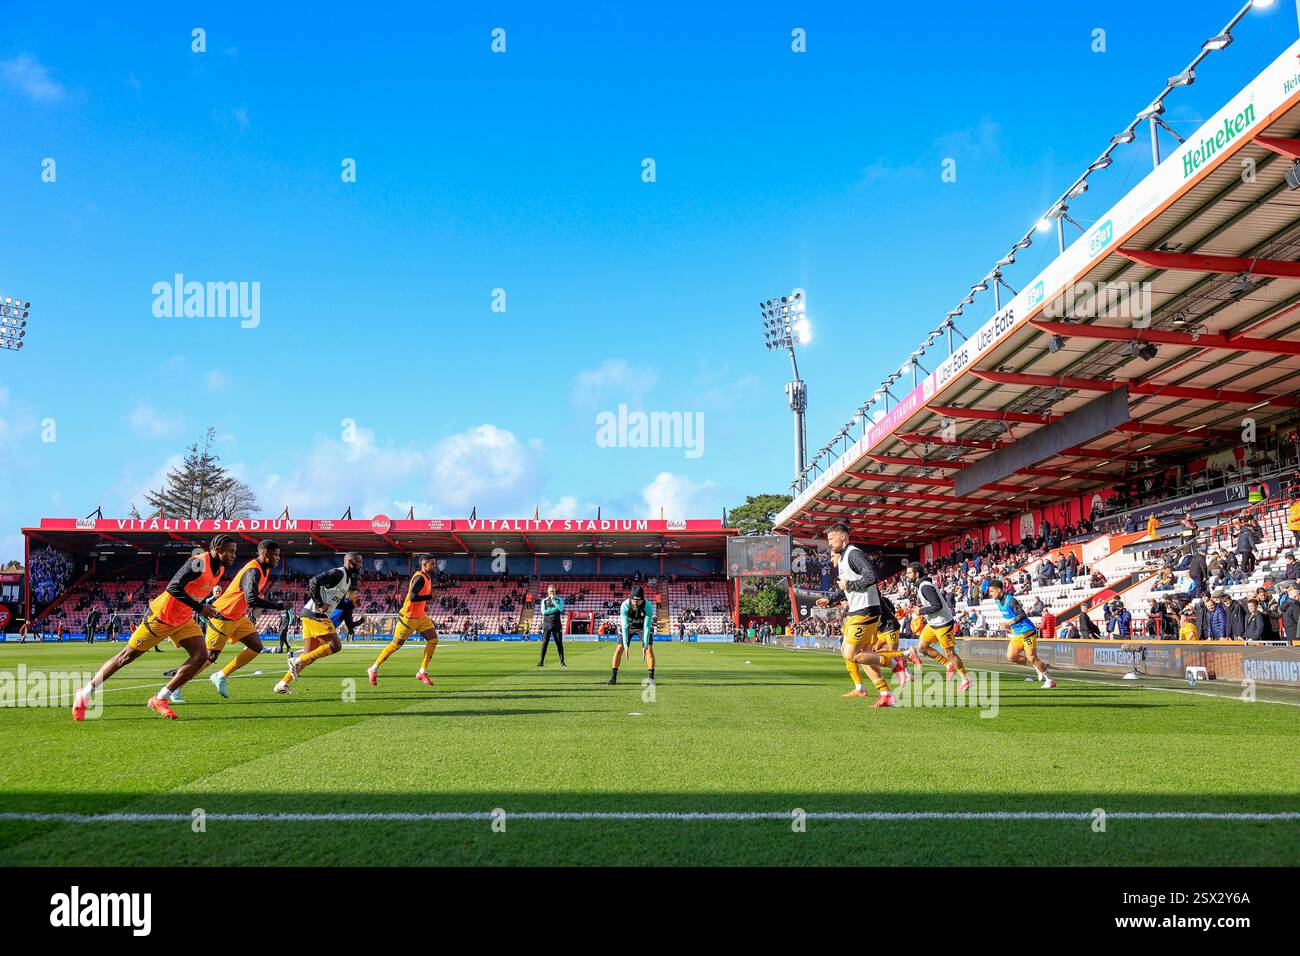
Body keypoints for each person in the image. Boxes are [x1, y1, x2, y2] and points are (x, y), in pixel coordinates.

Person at [72, 536, 237, 721]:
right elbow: (173, 587)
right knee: (125, 657)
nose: (233, 555)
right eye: (229, 551)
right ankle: (85, 693)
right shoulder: (198, 563)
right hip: (161, 616)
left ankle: (160, 698)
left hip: (182, 619)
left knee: (201, 655)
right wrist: (200, 608)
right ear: (216, 548)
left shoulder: (220, 568)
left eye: (234, 552)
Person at [816, 522, 908, 706]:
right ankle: (886, 694)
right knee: (860, 653)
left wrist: (849, 585)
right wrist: (832, 599)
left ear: (843, 536)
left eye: (831, 539)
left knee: (851, 653)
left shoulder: (853, 553)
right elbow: (848, 587)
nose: (829, 544)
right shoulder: (843, 558)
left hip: (866, 610)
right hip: (859, 610)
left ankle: (898, 661)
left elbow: (871, 577)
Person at [204, 540, 288, 699]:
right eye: (275, 555)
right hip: (223, 615)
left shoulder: (265, 569)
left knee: (256, 646)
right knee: (209, 657)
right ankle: (174, 688)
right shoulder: (253, 571)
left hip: (237, 616)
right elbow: (251, 599)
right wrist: (279, 606)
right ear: (265, 554)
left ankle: (220, 675)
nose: (278, 558)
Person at [276, 552, 363, 695]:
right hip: (316, 614)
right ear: (349, 561)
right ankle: (296, 659)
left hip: (310, 615)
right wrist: (319, 603)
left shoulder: (347, 580)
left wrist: (352, 605)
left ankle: (283, 683)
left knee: (309, 655)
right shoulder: (338, 573)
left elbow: (336, 603)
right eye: (358, 562)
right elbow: (314, 581)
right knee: (335, 646)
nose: (360, 565)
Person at [368, 554, 439, 687]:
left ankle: (422, 672)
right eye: (432, 564)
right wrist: (429, 597)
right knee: (396, 645)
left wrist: (425, 605)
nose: (435, 566)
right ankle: (373, 669)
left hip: (421, 617)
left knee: (433, 640)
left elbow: (419, 597)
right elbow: (412, 597)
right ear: (425, 564)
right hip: (409, 617)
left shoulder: (428, 577)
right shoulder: (419, 578)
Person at [902, 562, 970, 691]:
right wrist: (919, 608)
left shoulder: (924, 586)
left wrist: (920, 611)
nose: (907, 575)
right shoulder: (921, 585)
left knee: (949, 652)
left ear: (917, 574)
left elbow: (937, 605)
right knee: (922, 648)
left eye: (909, 573)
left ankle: (965, 679)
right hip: (933, 623)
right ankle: (948, 665)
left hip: (943, 623)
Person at [988, 579, 1055, 687]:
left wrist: (1010, 623)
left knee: (1032, 657)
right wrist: (1009, 626)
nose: (990, 594)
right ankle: (1037, 667)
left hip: (1027, 631)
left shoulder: (1011, 600)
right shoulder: (997, 601)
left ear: (999, 590)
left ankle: (1049, 680)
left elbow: (1022, 614)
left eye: (992, 591)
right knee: (1011, 656)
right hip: (1018, 633)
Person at [608, 584, 655, 685]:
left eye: (638, 601)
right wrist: (626, 645)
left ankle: (651, 679)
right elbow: (624, 626)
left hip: (642, 627)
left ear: (643, 600)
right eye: (633, 601)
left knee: (649, 650)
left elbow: (647, 627)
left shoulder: (648, 606)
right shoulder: (625, 605)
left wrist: (645, 645)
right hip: (628, 626)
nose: (635, 604)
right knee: (619, 648)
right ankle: (613, 678)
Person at [537, 583, 565, 667]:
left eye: (553, 591)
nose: (551, 593)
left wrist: (553, 601)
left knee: (559, 643)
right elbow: (544, 612)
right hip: (547, 624)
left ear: (555, 591)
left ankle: (562, 662)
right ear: (547, 592)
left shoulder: (559, 600)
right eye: (550, 591)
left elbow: (560, 609)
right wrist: (554, 609)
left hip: (557, 624)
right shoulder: (544, 601)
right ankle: (541, 662)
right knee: (545, 643)